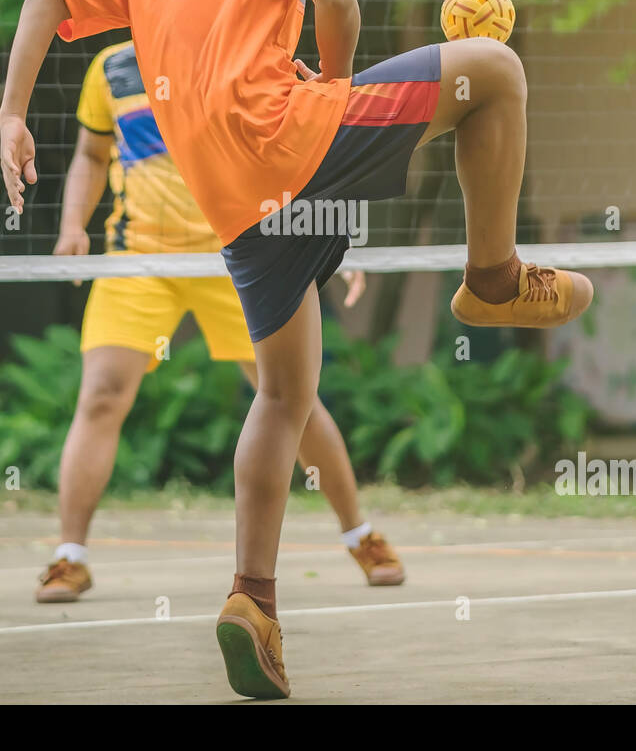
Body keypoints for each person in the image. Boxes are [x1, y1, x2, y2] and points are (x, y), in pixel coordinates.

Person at [0, 0, 593, 699]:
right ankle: (495, 276)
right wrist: (340, 84)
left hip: (231, 202)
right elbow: (339, 0)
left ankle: (254, 600)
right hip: (294, 138)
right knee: (494, 71)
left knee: (283, 396)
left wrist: (11, 113)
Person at [34, 40, 404, 604]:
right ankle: (70, 556)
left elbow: (302, 153)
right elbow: (90, 154)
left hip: (239, 250)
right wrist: (72, 227)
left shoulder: (245, 53)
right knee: (102, 395)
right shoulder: (110, 67)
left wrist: (334, 238)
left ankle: (361, 534)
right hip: (141, 256)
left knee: (291, 398)